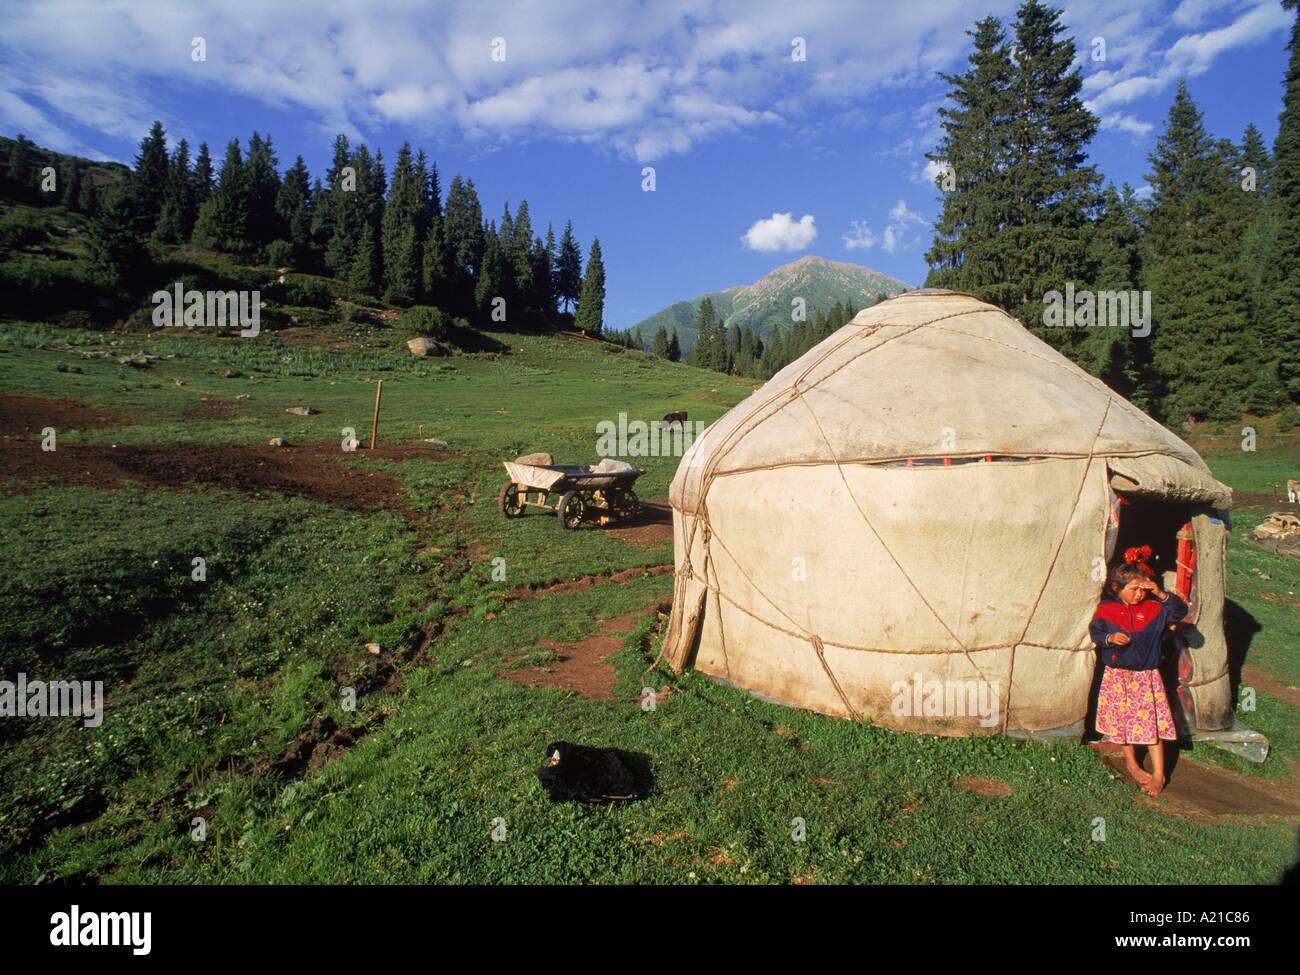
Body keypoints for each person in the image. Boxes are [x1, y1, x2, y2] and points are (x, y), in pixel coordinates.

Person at [1089, 562, 1188, 796]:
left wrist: (1160, 593)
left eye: (1143, 589)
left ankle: (1158, 775)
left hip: (1145, 678)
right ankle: (1132, 764)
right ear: (1116, 587)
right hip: (1117, 676)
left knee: (1150, 726)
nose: (1139, 594)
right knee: (1123, 723)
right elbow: (1096, 632)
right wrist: (1110, 638)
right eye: (1134, 589)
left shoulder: (1155, 609)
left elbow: (1180, 612)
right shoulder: (1106, 609)